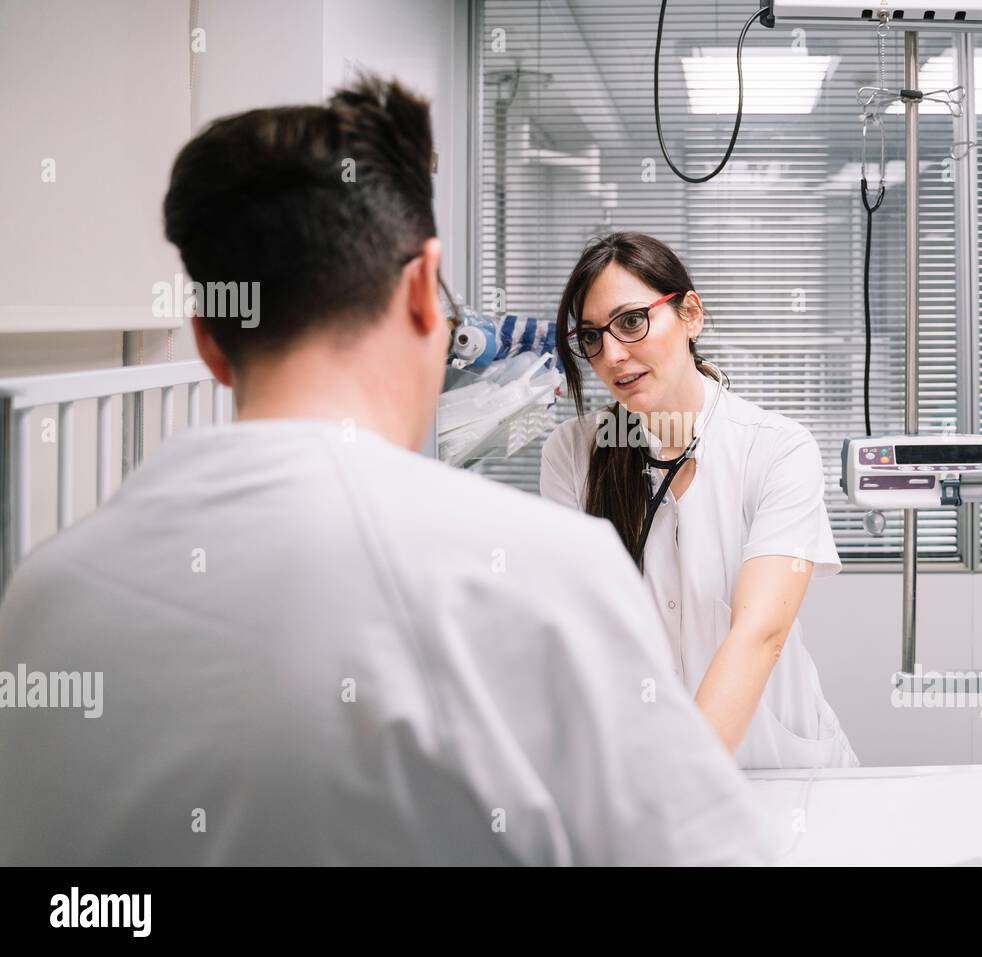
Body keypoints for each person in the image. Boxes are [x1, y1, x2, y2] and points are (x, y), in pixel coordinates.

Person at [0, 79, 766, 866]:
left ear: (208, 341)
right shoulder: (544, 575)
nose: (613, 354)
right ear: (421, 290)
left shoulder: (43, 598)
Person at [540, 232, 859, 771]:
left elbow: (761, 632)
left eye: (632, 321)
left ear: (690, 314)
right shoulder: (573, 454)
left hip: (778, 771)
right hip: (645, 773)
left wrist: (685, 791)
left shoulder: (777, 448)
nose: (612, 354)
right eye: (591, 337)